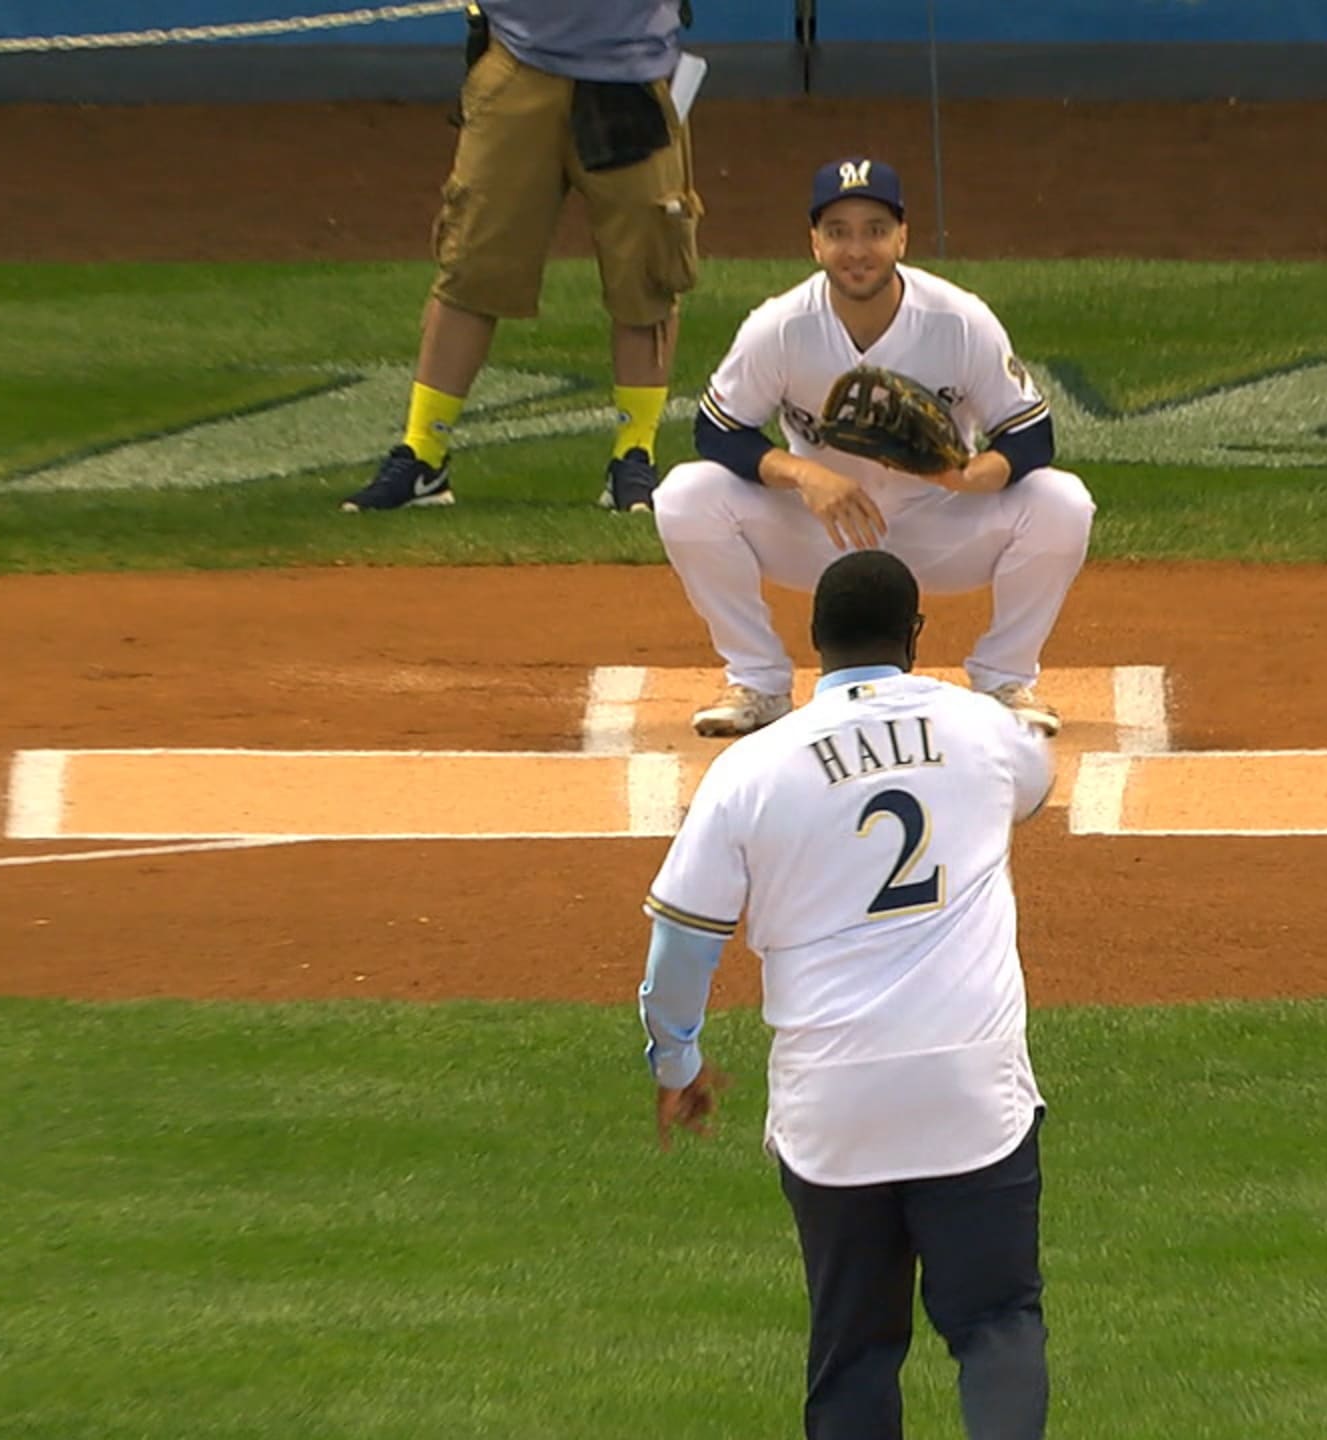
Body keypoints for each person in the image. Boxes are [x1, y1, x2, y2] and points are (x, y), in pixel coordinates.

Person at [641, 548, 1054, 1440]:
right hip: (970, 1092)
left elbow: (682, 937)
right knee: (997, 1327)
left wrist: (676, 1056)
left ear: (812, 642)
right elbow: (1031, 790)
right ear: (914, 637)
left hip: (833, 1103)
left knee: (856, 1350)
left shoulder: (753, 767)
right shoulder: (982, 728)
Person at [652, 157, 1093, 739]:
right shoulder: (781, 327)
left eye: (874, 231)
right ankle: (759, 683)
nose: (857, 250)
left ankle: (1002, 682)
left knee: (1061, 500)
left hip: (939, 527)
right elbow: (717, 429)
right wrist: (805, 476)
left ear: (902, 237)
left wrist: (976, 473)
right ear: (814, 243)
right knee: (686, 493)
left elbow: (1031, 433)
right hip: (823, 532)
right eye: (838, 232)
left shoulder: (959, 321)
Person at [339, 0, 703, 514]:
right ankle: (423, 453)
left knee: (647, 272)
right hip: (516, 66)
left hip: (633, 73)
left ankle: (634, 455)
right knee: (471, 266)